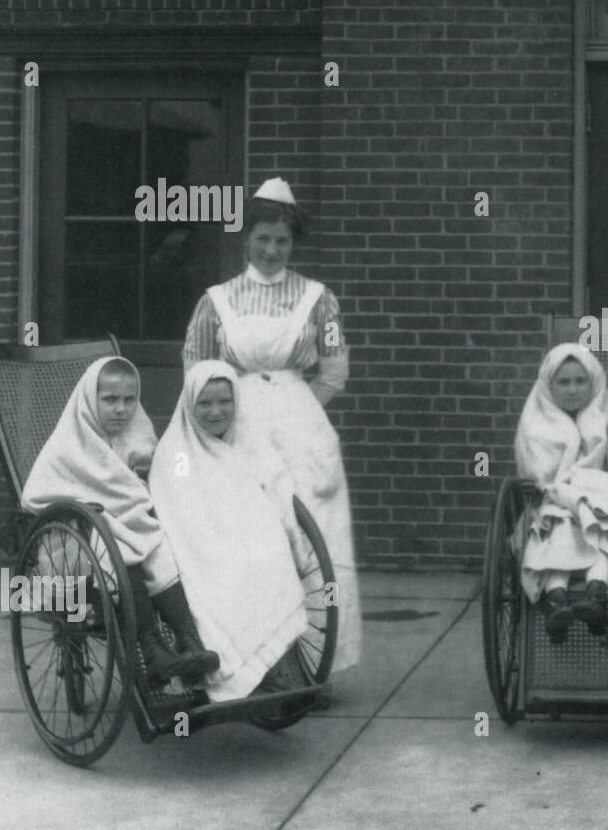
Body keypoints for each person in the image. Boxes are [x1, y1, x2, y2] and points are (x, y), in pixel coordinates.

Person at [182, 177, 361, 673]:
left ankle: (315, 660)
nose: (271, 249)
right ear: (246, 238)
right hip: (236, 427)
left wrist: (299, 406)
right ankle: (255, 659)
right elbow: (196, 368)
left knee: (312, 536)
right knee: (250, 536)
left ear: (293, 243)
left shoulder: (319, 299)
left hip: (301, 426)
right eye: (263, 239)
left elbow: (334, 367)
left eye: (282, 241)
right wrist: (224, 418)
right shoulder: (216, 300)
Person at [20, 357, 219, 685]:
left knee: (160, 545)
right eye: (110, 400)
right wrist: (97, 510)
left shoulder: (135, 436)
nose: (121, 409)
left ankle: (189, 639)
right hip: (77, 541)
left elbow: (151, 477)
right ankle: (150, 646)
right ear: (89, 399)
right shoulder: (68, 444)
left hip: (125, 526)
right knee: (119, 547)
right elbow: (36, 496)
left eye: (129, 400)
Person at [150, 361, 312, 702]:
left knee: (270, 559)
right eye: (205, 403)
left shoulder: (247, 438)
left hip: (248, 536)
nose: (216, 412)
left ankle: (276, 662)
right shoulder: (177, 453)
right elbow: (180, 512)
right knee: (231, 576)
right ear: (189, 406)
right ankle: (242, 669)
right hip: (200, 544)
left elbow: (272, 483)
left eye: (224, 402)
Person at [514, 343, 608, 643]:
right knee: (555, 539)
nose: (573, 390)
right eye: (563, 382)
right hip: (553, 503)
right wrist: (542, 488)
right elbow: (534, 469)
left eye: (580, 381)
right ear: (549, 385)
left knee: (603, 538)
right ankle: (556, 602)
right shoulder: (536, 422)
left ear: (595, 382)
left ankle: (596, 596)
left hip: (597, 503)